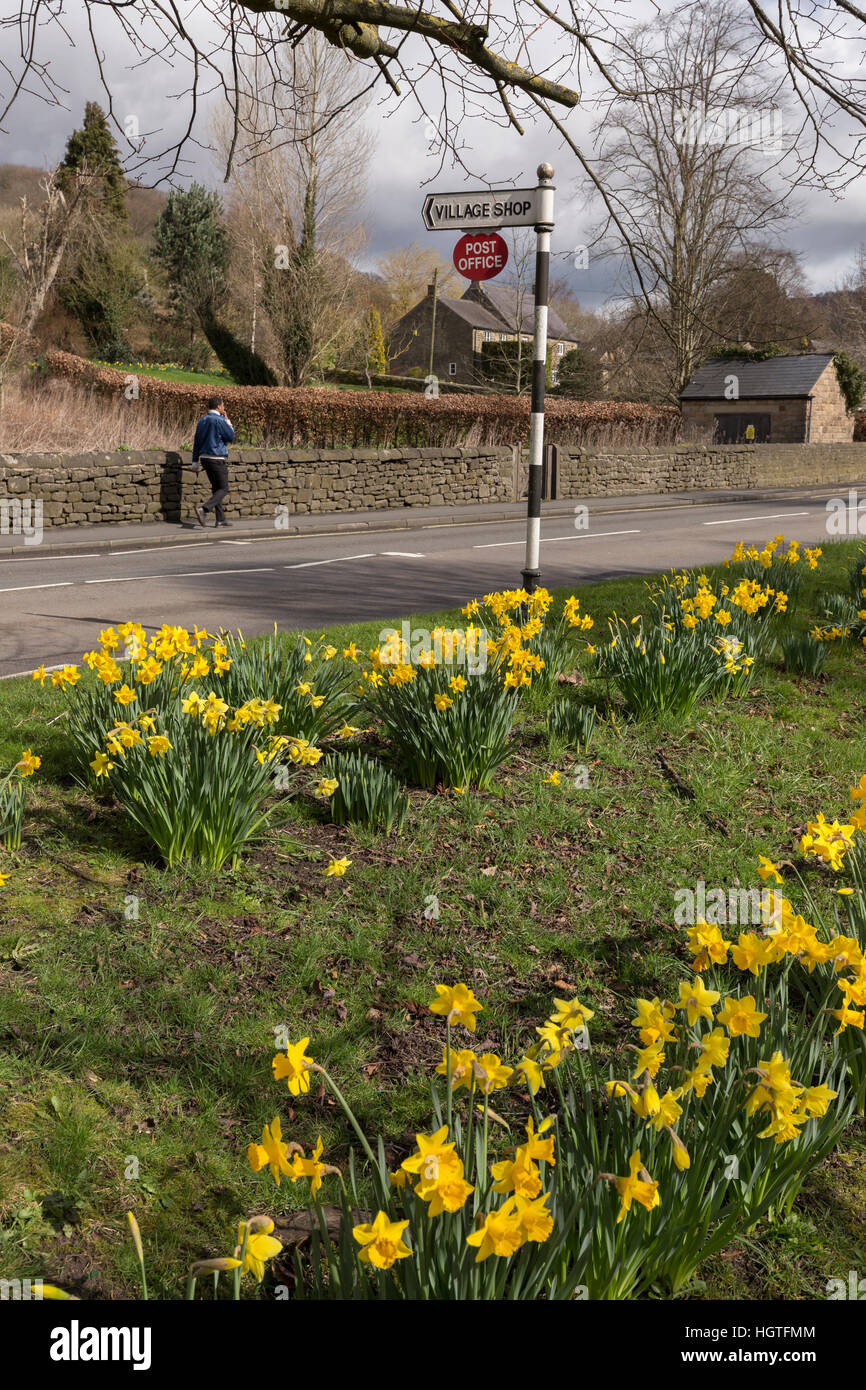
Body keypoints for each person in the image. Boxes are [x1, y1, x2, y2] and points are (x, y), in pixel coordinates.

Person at [192, 396, 235, 527]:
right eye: (223, 405)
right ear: (218, 407)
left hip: (204, 458)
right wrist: (228, 422)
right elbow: (231, 437)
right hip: (217, 458)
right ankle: (204, 509)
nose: (224, 407)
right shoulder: (220, 420)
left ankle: (220, 519)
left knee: (217, 489)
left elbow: (196, 442)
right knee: (224, 489)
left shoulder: (202, 421)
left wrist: (195, 462)